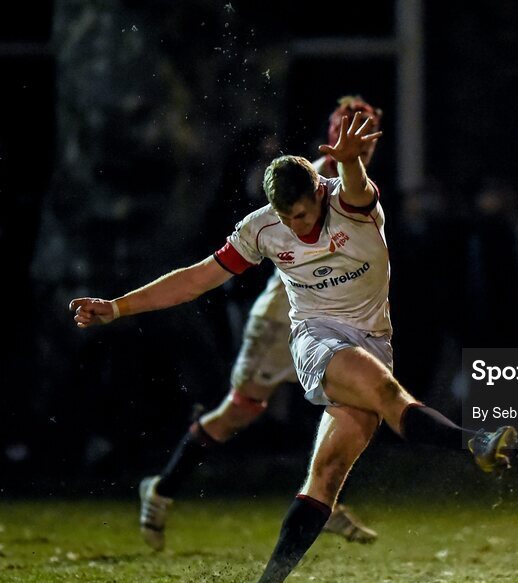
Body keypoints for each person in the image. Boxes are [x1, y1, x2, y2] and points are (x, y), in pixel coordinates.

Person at [70, 112, 518, 583]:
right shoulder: (263, 229)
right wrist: (118, 306)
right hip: (317, 341)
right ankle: (474, 441)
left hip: (373, 340)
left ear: (320, 197)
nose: (295, 227)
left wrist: (348, 163)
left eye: (302, 216)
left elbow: (355, 185)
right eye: (286, 219)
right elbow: (196, 279)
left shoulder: (351, 205)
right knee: (389, 397)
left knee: (326, 475)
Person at [135, 97, 384, 552]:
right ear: (337, 134)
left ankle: (323, 498)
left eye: (370, 133)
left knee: (354, 406)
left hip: (330, 324)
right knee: (238, 414)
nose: (364, 142)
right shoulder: (314, 178)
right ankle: (161, 489)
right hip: (280, 324)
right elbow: (303, 188)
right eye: (355, 130)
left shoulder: (354, 182)